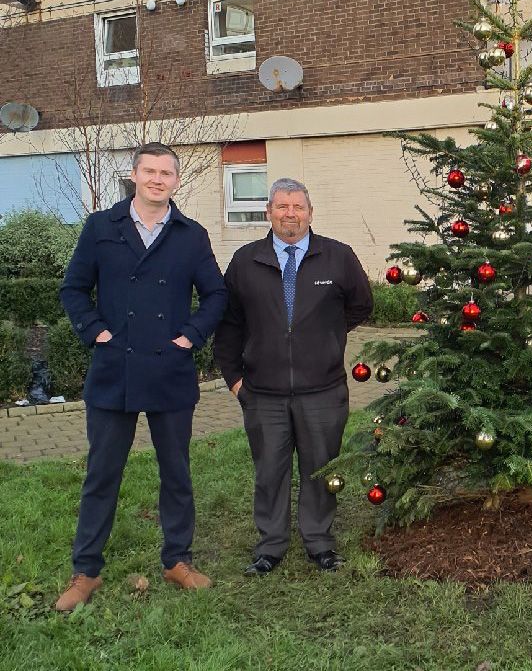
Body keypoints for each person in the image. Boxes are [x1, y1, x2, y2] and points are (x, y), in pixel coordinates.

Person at [56, 142, 227, 612]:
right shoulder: (101, 227)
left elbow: (216, 295)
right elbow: (73, 289)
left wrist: (191, 335)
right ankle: (86, 570)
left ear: (175, 180)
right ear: (134, 176)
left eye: (166, 172)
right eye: (149, 171)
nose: (157, 179)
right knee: (101, 475)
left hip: (170, 370)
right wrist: (97, 333)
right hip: (114, 370)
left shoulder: (191, 235)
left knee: (177, 473)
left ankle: (177, 560)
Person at [214, 178, 372, 575]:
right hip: (262, 393)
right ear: (268, 212)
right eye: (281, 206)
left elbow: (360, 306)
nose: (290, 214)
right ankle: (271, 545)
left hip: (323, 391)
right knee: (270, 471)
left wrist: (325, 339)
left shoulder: (338, 257)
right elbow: (229, 325)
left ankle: (319, 541)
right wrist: (235, 380)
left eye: (297, 206)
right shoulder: (245, 262)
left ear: (310, 212)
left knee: (321, 468)